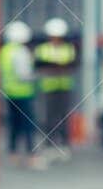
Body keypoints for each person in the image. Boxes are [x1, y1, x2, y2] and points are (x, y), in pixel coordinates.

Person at [0, 20, 43, 170]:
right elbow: (24, 75)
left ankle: (13, 154)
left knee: (14, 125)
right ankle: (33, 157)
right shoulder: (20, 51)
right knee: (28, 126)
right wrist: (38, 75)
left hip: (9, 93)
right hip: (24, 93)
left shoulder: (4, 51)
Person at [33, 17, 78, 160]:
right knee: (49, 117)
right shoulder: (42, 49)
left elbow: (72, 66)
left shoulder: (68, 48)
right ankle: (49, 145)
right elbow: (39, 66)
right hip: (49, 88)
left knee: (64, 117)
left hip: (64, 87)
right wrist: (58, 67)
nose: (55, 39)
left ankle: (64, 145)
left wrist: (53, 67)